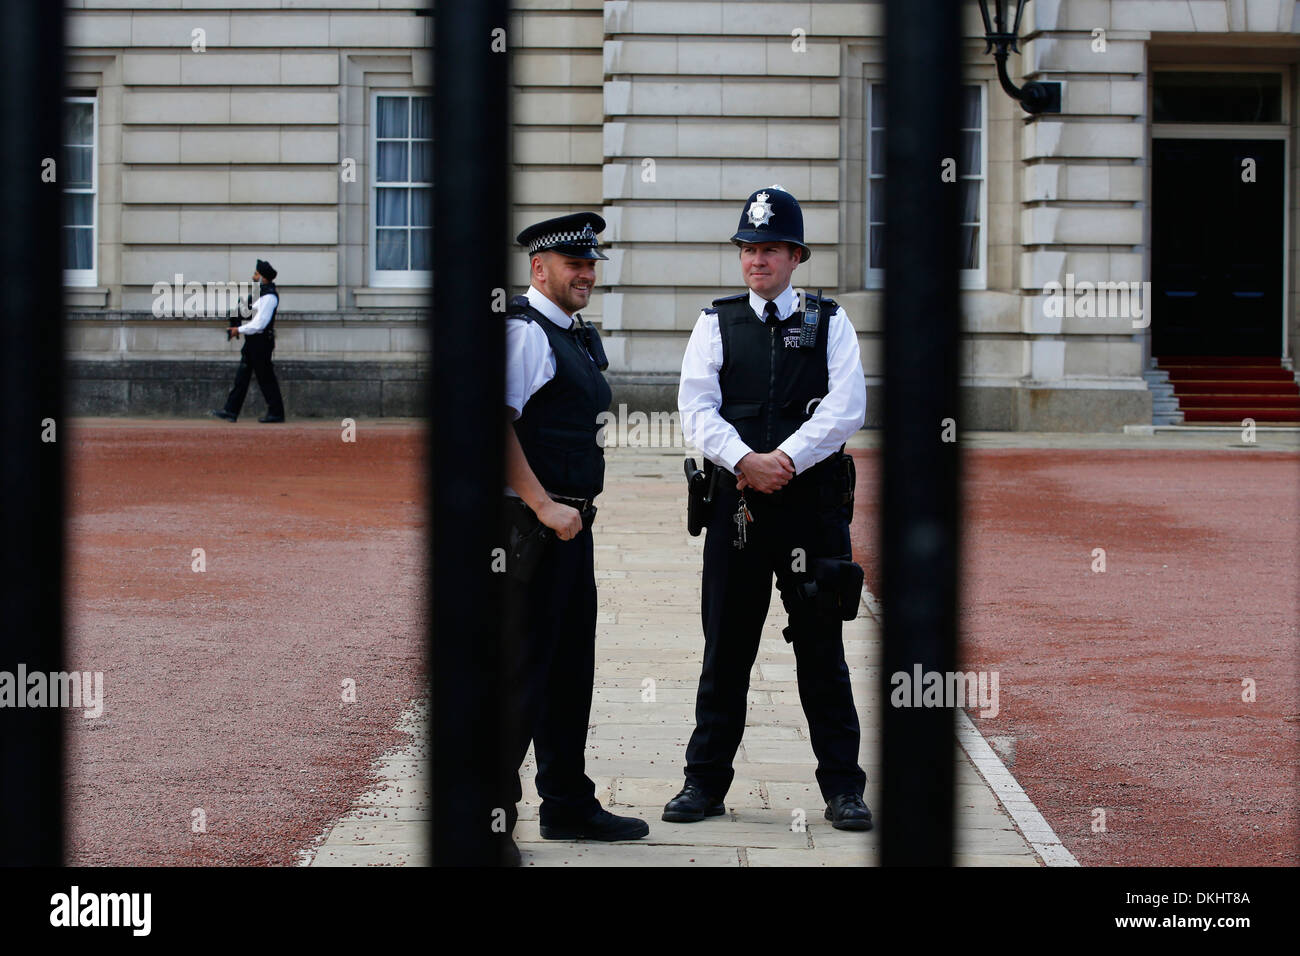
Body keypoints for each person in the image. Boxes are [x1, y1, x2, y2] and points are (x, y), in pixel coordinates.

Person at [667, 186, 873, 831]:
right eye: (749, 248)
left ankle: (843, 788)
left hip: (810, 510)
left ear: (796, 256)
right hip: (737, 511)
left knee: (822, 650)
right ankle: (704, 784)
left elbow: (847, 408)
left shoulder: (832, 321)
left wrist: (783, 459)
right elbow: (695, 409)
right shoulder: (715, 322)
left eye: (770, 249)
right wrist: (745, 463)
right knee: (725, 649)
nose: (757, 259)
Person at [498, 212, 649, 862]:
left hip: (567, 530)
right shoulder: (525, 334)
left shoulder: (571, 334)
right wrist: (542, 504)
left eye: (591, 264)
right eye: (573, 265)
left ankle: (565, 803)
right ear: (540, 269)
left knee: (567, 672)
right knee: (521, 678)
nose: (586, 274)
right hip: (530, 531)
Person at [210, 259, 285, 423]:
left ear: (263, 277)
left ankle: (276, 413)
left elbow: (260, 324)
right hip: (253, 342)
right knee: (242, 377)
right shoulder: (259, 294)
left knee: (265, 378)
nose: (253, 276)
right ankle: (231, 411)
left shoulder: (269, 297)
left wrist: (239, 329)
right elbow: (244, 310)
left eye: (256, 274)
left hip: (261, 343)